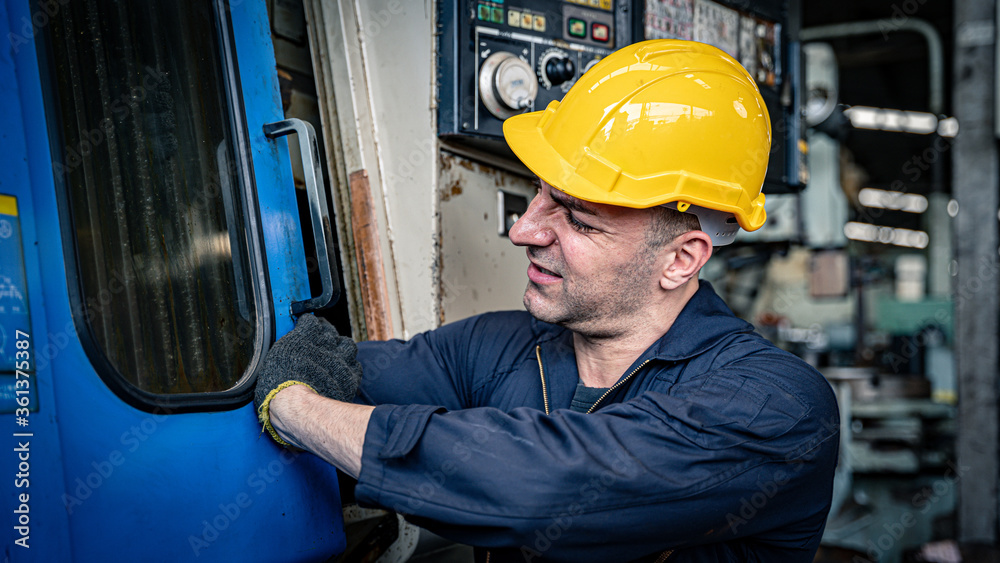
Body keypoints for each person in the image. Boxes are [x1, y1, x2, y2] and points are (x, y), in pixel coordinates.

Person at [254, 39, 840, 563]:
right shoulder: (494, 347)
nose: (524, 232)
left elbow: (540, 490)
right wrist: (289, 384)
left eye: (579, 221)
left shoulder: (777, 408)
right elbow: (328, 375)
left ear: (681, 259)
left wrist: (294, 409)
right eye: (540, 196)